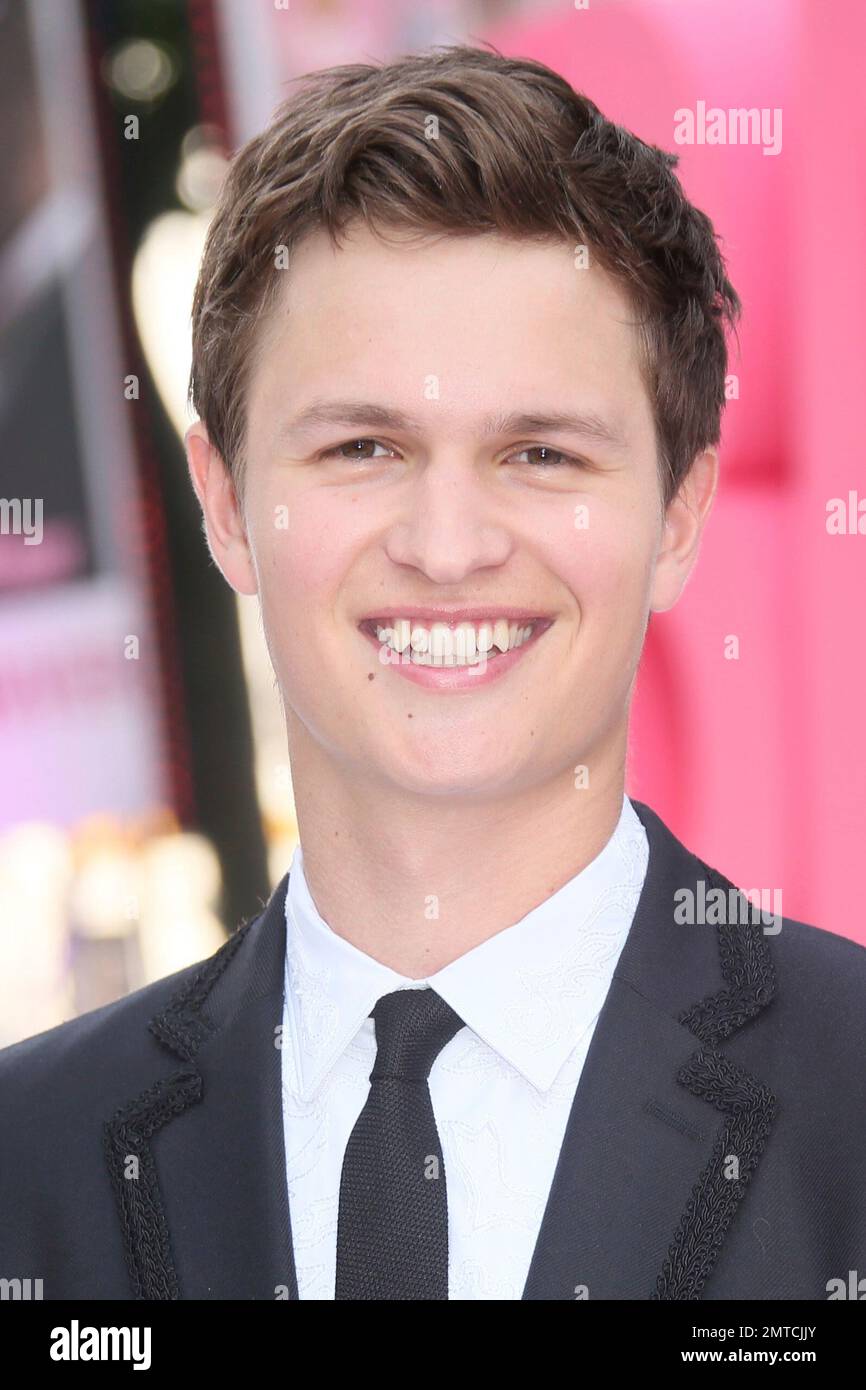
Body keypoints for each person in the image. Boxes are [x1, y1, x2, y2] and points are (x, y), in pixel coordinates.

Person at [1, 44, 864, 1302]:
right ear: (225, 505)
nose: (447, 548)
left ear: (678, 514)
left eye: (539, 454)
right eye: (363, 446)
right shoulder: (27, 1160)